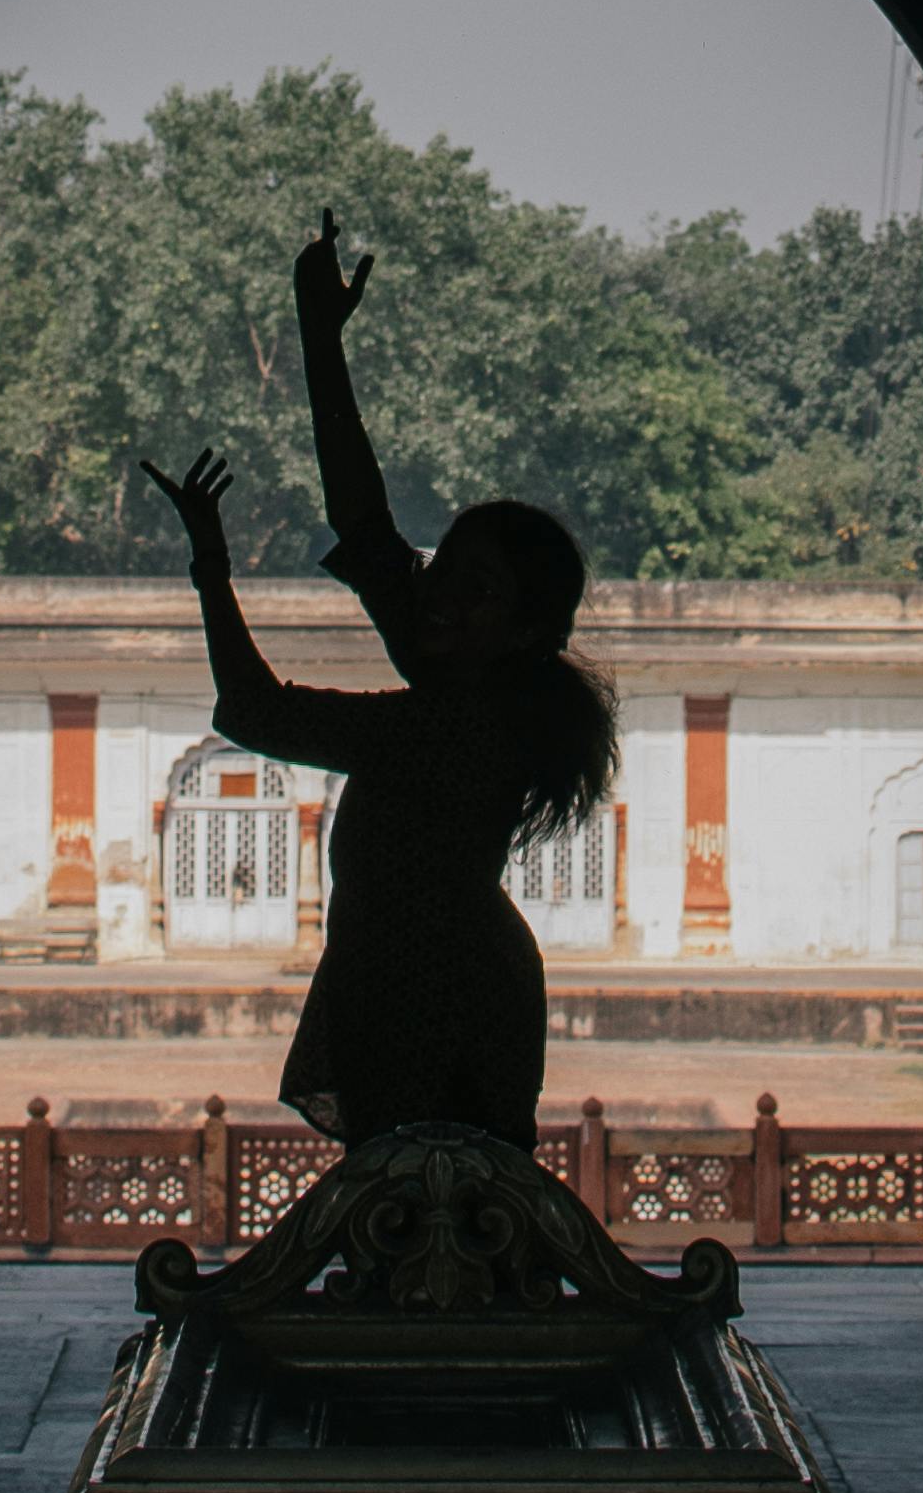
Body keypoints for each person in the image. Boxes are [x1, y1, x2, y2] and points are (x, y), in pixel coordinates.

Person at [144, 212, 619, 1147]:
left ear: (523, 627)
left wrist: (212, 570)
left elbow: (254, 711)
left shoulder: (455, 726)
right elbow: (364, 516)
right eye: (443, 569)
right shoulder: (469, 673)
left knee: (427, 1222)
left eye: (472, 588)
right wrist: (321, 341)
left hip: (430, 986)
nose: (434, 592)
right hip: (413, 969)